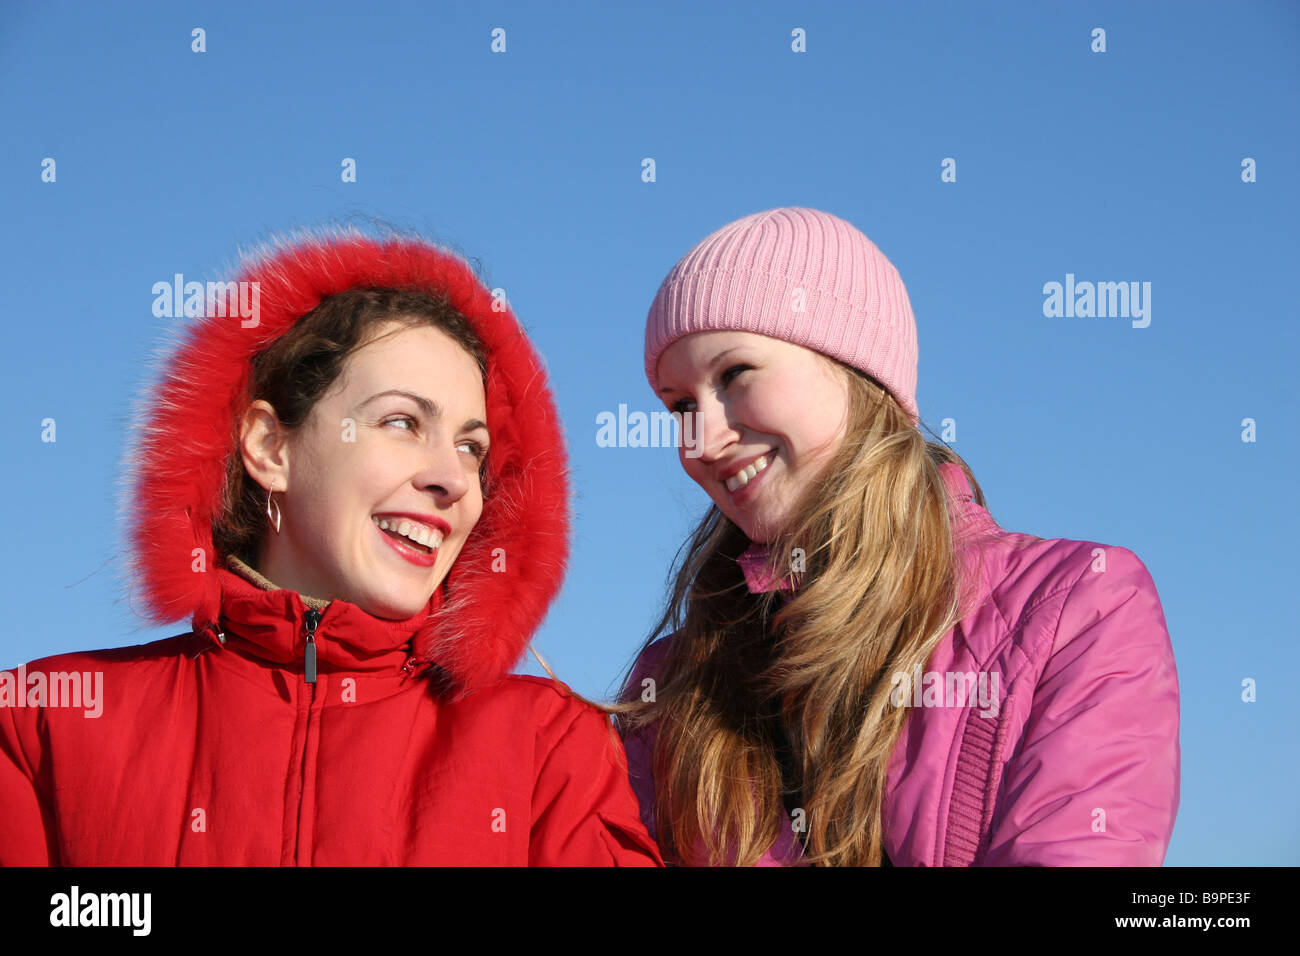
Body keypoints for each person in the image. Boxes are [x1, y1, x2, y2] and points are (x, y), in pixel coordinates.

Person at [0, 228, 661, 866]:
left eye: (471, 447)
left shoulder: (549, 748)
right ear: (269, 445)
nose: (453, 478)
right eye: (401, 422)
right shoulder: (44, 723)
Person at [617, 207, 1180, 866]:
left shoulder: (1074, 608)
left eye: (736, 374)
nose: (701, 440)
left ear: (859, 372)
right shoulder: (673, 685)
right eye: (680, 405)